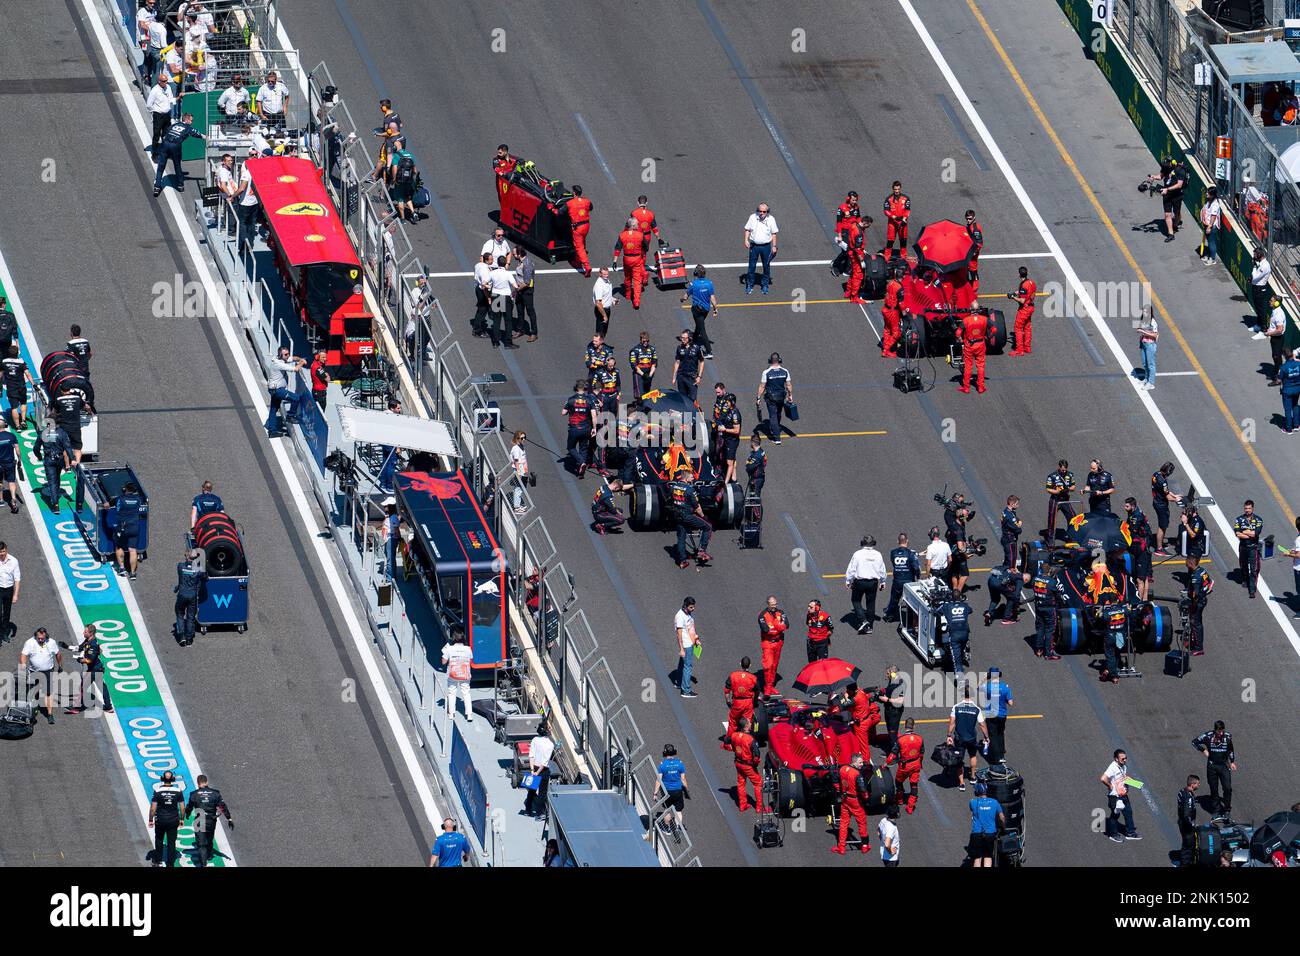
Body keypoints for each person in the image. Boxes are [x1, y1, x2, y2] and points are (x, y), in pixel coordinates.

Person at [667, 467, 713, 569]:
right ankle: (702, 551)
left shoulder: (673, 487)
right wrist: (703, 517)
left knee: (681, 538)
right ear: (687, 478)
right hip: (687, 516)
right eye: (692, 477)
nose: (693, 478)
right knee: (708, 527)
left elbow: (670, 500)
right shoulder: (690, 490)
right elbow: (697, 507)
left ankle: (682, 561)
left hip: (677, 516)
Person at [185, 774, 233, 867]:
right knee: (209, 839)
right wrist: (229, 818)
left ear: (198, 783)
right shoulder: (216, 793)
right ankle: (209, 855)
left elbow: (189, 807)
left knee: (201, 844)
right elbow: (223, 807)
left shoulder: (194, 794)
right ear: (207, 782)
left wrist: (187, 814)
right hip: (211, 820)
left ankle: (204, 864)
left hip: (199, 820)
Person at [153, 111, 205, 197]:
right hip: (175, 146)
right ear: (187, 120)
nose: (192, 122)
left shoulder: (174, 125)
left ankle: (157, 187)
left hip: (165, 144)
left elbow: (165, 133)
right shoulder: (188, 128)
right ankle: (180, 185)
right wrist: (207, 137)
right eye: (191, 120)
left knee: (161, 166)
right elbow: (197, 134)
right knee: (177, 165)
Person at [1193, 721, 1236, 819]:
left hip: (1224, 766)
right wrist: (1203, 750)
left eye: (1222, 731)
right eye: (1219, 731)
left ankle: (1227, 809)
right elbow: (1194, 742)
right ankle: (1216, 810)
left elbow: (1231, 750)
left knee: (1227, 788)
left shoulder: (1227, 737)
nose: (1221, 733)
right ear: (1215, 730)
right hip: (1212, 766)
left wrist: (1232, 762)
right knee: (1214, 789)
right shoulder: (1208, 736)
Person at [947, 685, 986, 791]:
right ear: (972, 695)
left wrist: (949, 735)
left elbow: (952, 723)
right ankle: (973, 777)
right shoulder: (976, 709)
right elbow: (982, 725)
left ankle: (961, 783)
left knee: (959, 759)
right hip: (971, 738)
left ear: (963, 695)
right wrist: (986, 737)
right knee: (973, 756)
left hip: (959, 738)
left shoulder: (956, 707)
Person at [845, 535, 887, 634]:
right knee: (871, 604)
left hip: (859, 582)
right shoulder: (878, 554)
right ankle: (870, 626)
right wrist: (883, 581)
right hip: (873, 583)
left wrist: (848, 580)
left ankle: (863, 621)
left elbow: (852, 569)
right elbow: (882, 570)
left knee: (855, 600)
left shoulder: (857, 554)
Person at [831, 752, 872, 855]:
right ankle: (865, 845)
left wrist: (839, 790)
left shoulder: (842, 769)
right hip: (855, 801)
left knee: (844, 823)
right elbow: (863, 789)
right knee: (861, 823)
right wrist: (866, 797)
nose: (862, 764)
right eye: (860, 762)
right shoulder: (857, 774)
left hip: (845, 799)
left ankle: (841, 847)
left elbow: (835, 779)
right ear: (854, 762)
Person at [724, 716, 766, 813]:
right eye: (749, 723)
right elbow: (757, 754)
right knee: (758, 783)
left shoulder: (734, 735)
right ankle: (759, 806)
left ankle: (742, 805)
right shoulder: (750, 739)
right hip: (748, 765)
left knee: (741, 783)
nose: (751, 724)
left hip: (738, 763)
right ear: (746, 726)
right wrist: (755, 764)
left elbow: (726, 740)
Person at [20, 627, 61, 725]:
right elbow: (23, 655)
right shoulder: (30, 642)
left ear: (46, 636)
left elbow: (58, 653)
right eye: (39, 638)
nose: (41, 640)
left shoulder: (51, 642)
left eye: (43, 638)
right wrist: (23, 666)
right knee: (32, 692)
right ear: (36, 636)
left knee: (48, 693)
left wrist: (60, 665)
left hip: (48, 671)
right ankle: (32, 711)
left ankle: (50, 714)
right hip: (33, 671)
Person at [264, 346, 307, 436]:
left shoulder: (281, 358)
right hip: (277, 390)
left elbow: (293, 358)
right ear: (280, 355)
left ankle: (272, 431)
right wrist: (302, 362)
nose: (288, 356)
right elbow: (295, 369)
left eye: (288, 354)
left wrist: (300, 359)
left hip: (274, 389)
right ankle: (290, 416)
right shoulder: (278, 364)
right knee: (296, 398)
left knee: (273, 409)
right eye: (286, 354)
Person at [1101, 748, 1142, 842]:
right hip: (1115, 797)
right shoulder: (1112, 767)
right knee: (1115, 815)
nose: (1125, 760)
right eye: (1122, 759)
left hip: (1123, 794)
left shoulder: (1123, 766)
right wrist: (1110, 786)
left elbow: (1122, 777)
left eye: (1125, 758)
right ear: (1116, 759)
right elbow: (1103, 778)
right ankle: (1113, 834)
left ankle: (1130, 833)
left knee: (1128, 812)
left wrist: (1130, 781)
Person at [887, 717, 924, 815]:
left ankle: (899, 799)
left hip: (904, 766)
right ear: (914, 726)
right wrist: (920, 763)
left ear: (904, 726)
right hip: (916, 764)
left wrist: (887, 762)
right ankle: (910, 806)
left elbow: (893, 754)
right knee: (914, 784)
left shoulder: (901, 740)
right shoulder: (919, 738)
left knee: (898, 782)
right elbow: (922, 753)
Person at [33, 419, 71, 513]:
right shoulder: (62, 432)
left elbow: (36, 448)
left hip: (49, 460)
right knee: (56, 478)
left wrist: (39, 456)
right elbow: (67, 447)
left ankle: (55, 504)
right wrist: (72, 459)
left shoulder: (44, 433)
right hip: (59, 459)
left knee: (52, 482)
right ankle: (56, 497)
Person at [148, 770, 186, 867]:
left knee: (159, 839)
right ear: (173, 779)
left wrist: (150, 820)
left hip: (160, 820)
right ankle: (170, 864)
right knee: (171, 842)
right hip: (173, 820)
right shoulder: (178, 791)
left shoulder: (157, 791)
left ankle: (157, 861)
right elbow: (182, 807)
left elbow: (153, 808)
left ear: (162, 779)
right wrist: (182, 819)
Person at [109, 481, 144, 580]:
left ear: (125, 489)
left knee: (119, 546)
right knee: (132, 549)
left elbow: (107, 505)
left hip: (122, 527)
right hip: (134, 527)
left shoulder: (120, 499)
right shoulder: (138, 500)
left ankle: (122, 568)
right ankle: (133, 573)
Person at [682, 266, 718, 359]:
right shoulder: (709, 283)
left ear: (695, 274)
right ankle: (694, 339)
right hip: (706, 309)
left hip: (697, 310)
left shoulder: (693, 284)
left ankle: (709, 351)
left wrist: (682, 299)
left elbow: (686, 297)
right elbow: (712, 298)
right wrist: (715, 309)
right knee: (699, 324)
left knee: (702, 330)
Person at [562, 380, 596, 478]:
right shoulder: (590, 400)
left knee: (571, 447)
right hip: (586, 428)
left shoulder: (571, 399)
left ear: (576, 388)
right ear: (585, 389)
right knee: (583, 448)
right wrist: (594, 428)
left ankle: (581, 462)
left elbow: (563, 412)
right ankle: (581, 472)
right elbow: (594, 416)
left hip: (574, 428)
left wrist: (570, 409)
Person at [1123, 497, 1154, 602]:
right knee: (1144, 577)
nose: (1124, 508)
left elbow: (1131, 530)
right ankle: (1144, 600)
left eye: (1127, 506)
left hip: (1142, 549)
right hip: (1142, 547)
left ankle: (1139, 602)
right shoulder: (1133, 513)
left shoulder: (1136, 516)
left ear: (1133, 506)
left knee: (1140, 579)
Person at [743, 203, 778, 294]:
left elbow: (774, 233)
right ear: (757, 211)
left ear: (767, 212)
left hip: (766, 246)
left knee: (766, 266)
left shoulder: (771, 219)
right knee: (751, 266)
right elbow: (747, 229)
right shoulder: (752, 217)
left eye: (764, 211)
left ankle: (765, 285)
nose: (761, 213)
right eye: (760, 211)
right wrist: (746, 240)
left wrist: (774, 246)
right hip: (754, 246)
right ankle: (750, 285)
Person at [613, 217, 648, 310]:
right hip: (637, 258)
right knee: (637, 280)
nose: (638, 225)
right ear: (633, 226)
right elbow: (646, 247)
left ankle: (628, 294)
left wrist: (615, 261)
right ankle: (636, 301)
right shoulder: (640, 235)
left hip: (627, 259)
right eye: (636, 224)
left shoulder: (622, 235)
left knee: (628, 277)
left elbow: (618, 248)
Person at [173, 548, 206, 646]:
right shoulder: (198, 569)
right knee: (190, 617)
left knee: (179, 613)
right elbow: (206, 577)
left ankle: (181, 636)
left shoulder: (180, 566)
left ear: (187, 556)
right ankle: (189, 639)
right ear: (195, 558)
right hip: (192, 596)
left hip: (182, 594)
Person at [967, 781, 1005, 867]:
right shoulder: (995, 802)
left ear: (977, 791)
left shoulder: (972, 802)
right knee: (988, 856)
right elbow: (1002, 817)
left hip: (977, 833)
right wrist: (1002, 827)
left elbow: (973, 811)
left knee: (977, 857)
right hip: (990, 833)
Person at [757, 353, 791, 444]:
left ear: (770, 360)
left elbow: (762, 386)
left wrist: (758, 397)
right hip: (781, 397)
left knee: (773, 417)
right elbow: (788, 385)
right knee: (778, 414)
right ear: (779, 360)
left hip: (771, 398)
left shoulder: (766, 372)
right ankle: (775, 429)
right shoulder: (785, 371)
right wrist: (790, 395)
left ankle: (777, 438)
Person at [653, 744, 688, 834]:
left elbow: (658, 780)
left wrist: (655, 793)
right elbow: (683, 779)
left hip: (667, 791)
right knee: (678, 810)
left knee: (667, 810)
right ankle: (678, 826)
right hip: (678, 790)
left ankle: (667, 828)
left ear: (665, 752)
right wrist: (686, 790)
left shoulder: (662, 765)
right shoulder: (680, 764)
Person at [441, 628, 474, 724]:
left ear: (453, 638)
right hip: (465, 674)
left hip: (453, 674)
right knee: (466, 693)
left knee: (452, 693)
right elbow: (471, 660)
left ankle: (451, 714)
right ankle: (469, 714)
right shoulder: (468, 649)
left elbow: (443, 662)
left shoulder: (449, 648)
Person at [884, 534, 919, 622]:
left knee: (894, 598)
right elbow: (916, 567)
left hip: (897, 580)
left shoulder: (893, 552)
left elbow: (893, 563)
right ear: (907, 541)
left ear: (897, 541)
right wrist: (917, 576)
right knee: (911, 601)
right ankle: (910, 619)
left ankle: (889, 615)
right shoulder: (911, 553)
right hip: (909, 580)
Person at [757, 596, 788, 696]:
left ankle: (770, 685)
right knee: (768, 665)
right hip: (767, 643)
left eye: (775, 604)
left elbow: (787, 625)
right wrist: (779, 626)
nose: (774, 606)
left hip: (778, 642)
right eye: (772, 604)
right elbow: (765, 629)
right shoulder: (762, 615)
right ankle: (767, 687)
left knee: (774, 665)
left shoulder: (781, 613)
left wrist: (776, 627)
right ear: (768, 604)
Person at [981, 667, 1013, 764]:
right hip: (1002, 715)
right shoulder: (1005, 687)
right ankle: (1002, 753)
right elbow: (1011, 703)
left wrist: (985, 678)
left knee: (993, 735)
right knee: (1000, 733)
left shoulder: (988, 687)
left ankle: (997, 757)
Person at [1233, 500, 1263, 599]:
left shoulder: (1258, 520)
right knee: (1243, 566)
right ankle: (1245, 579)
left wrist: (1244, 532)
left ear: (1253, 508)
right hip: (1243, 547)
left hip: (1253, 548)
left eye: (1249, 508)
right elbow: (1237, 533)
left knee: (1254, 570)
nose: (1247, 510)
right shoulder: (1239, 519)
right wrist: (1249, 534)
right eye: (1246, 508)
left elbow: (1256, 534)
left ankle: (1252, 590)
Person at [486, 254, 517, 349]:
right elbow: (515, 286)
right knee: (508, 320)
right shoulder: (508, 274)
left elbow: (485, 283)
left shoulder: (492, 273)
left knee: (496, 320)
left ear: (498, 263)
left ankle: (495, 342)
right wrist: (514, 293)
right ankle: (508, 342)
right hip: (506, 297)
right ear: (505, 264)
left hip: (496, 296)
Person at [523, 723, 554, 817]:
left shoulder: (535, 740)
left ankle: (527, 810)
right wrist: (538, 772)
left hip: (534, 767)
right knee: (542, 793)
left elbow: (531, 756)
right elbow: (544, 762)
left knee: (531, 791)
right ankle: (540, 813)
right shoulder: (550, 744)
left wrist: (533, 770)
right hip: (543, 771)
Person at [1185, 553, 1213, 656]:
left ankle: (1198, 647)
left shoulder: (1195, 577)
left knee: (1195, 624)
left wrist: (1192, 603)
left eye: (1187, 561)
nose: (1185, 563)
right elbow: (1210, 582)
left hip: (1198, 603)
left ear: (1191, 563)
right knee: (1197, 623)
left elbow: (1195, 594)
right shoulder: (1202, 571)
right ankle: (1194, 642)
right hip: (1203, 599)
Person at [2, 344, 33, 431]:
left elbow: (0, 374)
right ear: (17, 354)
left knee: (14, 408)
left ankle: (17, 427)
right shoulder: (21, 362)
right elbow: (28, 374)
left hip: (11, 388)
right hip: (21, 387)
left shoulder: (4, 362)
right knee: (23, 403)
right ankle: (23, 420)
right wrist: (33, 384)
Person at [1151, 462, 1180, 554]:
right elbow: (1167, 496)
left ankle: (1161, 543)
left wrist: (1175, 495)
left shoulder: (1156, 474)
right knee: (1162, 526)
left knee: (1163, 525)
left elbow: (1165, 492)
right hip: (1161, 505)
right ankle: (1159, 548)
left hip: (1157, 501)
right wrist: (1176, 499)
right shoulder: (1162, 481)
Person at [1007, 266, 1037, 355]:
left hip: (1025, 309)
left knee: (1018, 328)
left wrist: (1013, 297)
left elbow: (1022, 300)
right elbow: (1027, 292)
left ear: (1019, 274)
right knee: (1027, 327)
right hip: (1031, 307)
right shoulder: (1031, 283)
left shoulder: (1024, 285)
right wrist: (1017, 292)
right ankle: (1027, 347)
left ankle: (1019, 350)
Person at [957, 307, 988, 394]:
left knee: (968, 366)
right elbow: (994, 329)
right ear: (979, 310)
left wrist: (961, 340)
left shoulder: (966, 320)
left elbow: (958, 333)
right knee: (981, 366)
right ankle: (981, 387)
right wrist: (988, 337)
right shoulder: (985, 319)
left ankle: (966, 388)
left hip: (969, 346)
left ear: (971, 310)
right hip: (980, 345)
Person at [1045, 459, 1076, 542]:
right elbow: (1048, 489)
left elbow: (1073, 487)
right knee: (1052, 519)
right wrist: (1056, 491)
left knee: (1073, 517)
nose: (1064, 471)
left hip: (1065, 500)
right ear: (1059, 467)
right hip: (1055, 500)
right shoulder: (1052, 476)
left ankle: (1071, 536)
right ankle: (1050, 538)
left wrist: (1068, 489)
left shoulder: (1070, 475)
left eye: (1065, 469)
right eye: (1062, 469)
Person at [876, 664, 907, 749]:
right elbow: (890, 690)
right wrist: (883, 691)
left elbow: (901, 700)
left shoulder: (900, 684)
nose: (886, 675)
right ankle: (891, 748)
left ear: (892, 673)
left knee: (893, 732)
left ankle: (895, 755)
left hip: (895, 712)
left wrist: (887, 700)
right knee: (890, 730)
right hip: (889, 709)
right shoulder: (892, 680)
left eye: (887, 673)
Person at [674, 597, 700, 698]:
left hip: (689, 642)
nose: (693, 609)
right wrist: (681, 649)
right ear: (685, 606)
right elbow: (679, 634)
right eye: (691, 607)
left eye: (693, 607)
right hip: (686, 645)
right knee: (688, 667)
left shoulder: (687, 613)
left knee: (682, 664)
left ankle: (679, 683)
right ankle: (685, 690)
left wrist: (696, 639)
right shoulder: (680, 616)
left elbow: (690, 629)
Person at [566, 184, 593, 276]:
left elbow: (560, 212)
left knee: (579, 247)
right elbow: (591, 208)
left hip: (577, 228)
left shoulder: (570, 203)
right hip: (586, 226)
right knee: (583, 241)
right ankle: (579, 258)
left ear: (574, 192)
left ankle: (587, 266)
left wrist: (553, 209)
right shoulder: (587, 201)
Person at [512, 247, 538, 342]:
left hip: (526, 291)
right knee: (519, 310)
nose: (513, 255)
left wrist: (517, 289)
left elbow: (527, 282)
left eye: (514, 254)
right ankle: (520, 329)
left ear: (520, 254)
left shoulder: (527, 265)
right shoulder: (521, 262)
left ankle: (534, 333)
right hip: (520, 290)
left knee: (530, 312)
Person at [672, 330, 704, 402]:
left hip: (692, 377)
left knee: (692, 399)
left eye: (684, 338)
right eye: (681, 338)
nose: (682, 340)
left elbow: (702, 361)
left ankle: (692, 412)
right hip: (681, 376)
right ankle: (685, 413)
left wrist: (699, 377)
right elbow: (677, 362)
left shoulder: (697, 348)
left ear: (689, 338)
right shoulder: (679, 348)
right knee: (683, 399)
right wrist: (674, 377)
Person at [882, 181, 911, 260]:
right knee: (890, 240)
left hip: (902, 222)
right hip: (892, 222)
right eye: (895, 189)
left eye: (898, 189)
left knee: (903, 240)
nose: (897, 191)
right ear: (893, 189)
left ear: (900, 188)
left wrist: (904, 219)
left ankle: (903, 257)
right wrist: (894, 217)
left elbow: (907, 210)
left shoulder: (906, 198)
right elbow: (886, 211)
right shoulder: (889, 199)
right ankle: (886, 258)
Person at [1158, 159, 1185, 240]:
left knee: (1177, 213)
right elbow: (1160, 176)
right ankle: (1171, 234)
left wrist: (1167, 189)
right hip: (1167, 195)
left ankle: (1177, 222)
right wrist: (1152, 177)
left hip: (1177, 195)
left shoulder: (1180, 170)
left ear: (1171, 164)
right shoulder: (1165, 168)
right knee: (1167, 214)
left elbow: (1179, 185)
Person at [1177, 774, 1201, 867]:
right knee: (1188, 846)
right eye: (1197, 784)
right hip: (1186, 825)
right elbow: (1187, 814)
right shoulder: (1188, 797)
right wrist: (1191, 824)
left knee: (1188, 844)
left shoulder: (1182, 791)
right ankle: (1185, 864)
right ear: (1192, 784)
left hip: (1182, 822)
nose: (1198, 785)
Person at [1263, 297, 1286, 383]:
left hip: (1278, 339)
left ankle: (1278, 379)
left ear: (1276, 303)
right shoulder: (1275, 311)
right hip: (1275, 338)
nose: (1269, 301)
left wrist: (1269, 333)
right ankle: (1277, 373)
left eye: (1271, 300)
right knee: (1275, 357)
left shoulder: (1279, 314)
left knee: (1277, 358)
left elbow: (1279, 330)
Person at [628, 331, 657, 398]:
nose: (646, 342)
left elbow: (654, 363)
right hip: (639, 374)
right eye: (644, 341)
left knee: (647, 392)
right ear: (640, 340)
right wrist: (643, 375)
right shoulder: (635, 350)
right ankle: (638, 406)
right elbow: (634, 365)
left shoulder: (652, 349)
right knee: (639, 393)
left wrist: (650, 375)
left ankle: (644, 407)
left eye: (647, 341)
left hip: (649, 373)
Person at [1250, 247, 1272, 335]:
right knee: (1258, 308)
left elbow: (1255, 276)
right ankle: (1259, 325)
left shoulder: (1265, 265)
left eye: (1255, 254)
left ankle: (1264, 329)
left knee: (1261, 310)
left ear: (1259, 255)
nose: (1254, 256)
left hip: (1260, 289)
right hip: (1256, 287)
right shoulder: (1261, 263)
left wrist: (1254, 267)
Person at [805, 598, 833, 662]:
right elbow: (808, 624)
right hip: (811, 643)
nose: (808, 608)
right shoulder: (808, 615)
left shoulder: (826, 617)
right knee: (812, 664)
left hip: (821, 645)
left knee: (822, 664)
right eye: (808, 606)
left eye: (811, 607)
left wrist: (823, 638)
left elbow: (830, 630)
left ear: (817, 608)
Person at [880, 275, 903, 356]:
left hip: (885, 309)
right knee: (896, 333)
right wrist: (904, 313)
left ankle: (885, 347)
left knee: (887, 329)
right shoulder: (899, 287)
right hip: (892, 312)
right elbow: (901, 303)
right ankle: (886, 350)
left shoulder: (891, 282)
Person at [509, 430, 530, 516]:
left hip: (521, 469)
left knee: (519, 488)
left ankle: (518, 505)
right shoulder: (516, 448)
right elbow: (517, 461)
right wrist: (520, 473)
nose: (524, 439)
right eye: (522, 438)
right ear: (517, 438)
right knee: (518, 489)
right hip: (518, 469)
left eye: (525, 437)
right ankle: (516, 507)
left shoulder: (520, 446)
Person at [0, 421, 19, 515]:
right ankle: (13, 498)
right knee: (11, 481)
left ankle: (1, 499)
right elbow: (17, 449)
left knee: (0, 481)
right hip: (10, 462)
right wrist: (19, 459)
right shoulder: (11, 436)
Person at [1280, 349, 1300, 434]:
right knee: (1295, 405)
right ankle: (1296, 425)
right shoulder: (1298, 364)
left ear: (1284, 356)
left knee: (1288, 409)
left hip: (1287, 390)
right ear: (1292, 354)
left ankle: (1288, 429)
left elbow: (1278, 380)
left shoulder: (1283, 367)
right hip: (1297, 389)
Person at [592, 266, 616, 336]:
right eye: (604, 274)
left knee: (604, 330)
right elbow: (598, 303)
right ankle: (596, 345)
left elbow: (606, 295)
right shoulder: (599, 285)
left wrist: (612, 300)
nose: (606, 276)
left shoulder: (606, 281)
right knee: (600, 330)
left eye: (607, 274)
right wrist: (604, 315)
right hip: (601, 310)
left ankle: (601, 344)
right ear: (600, 274)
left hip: (606, 309)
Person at [1182, 504, 1207, 572]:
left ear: (1190, 512)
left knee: (1192, 565)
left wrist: (1185, 524)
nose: (1184, 514)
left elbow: (1193, 535)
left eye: (1186, 512)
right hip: (1191, 546)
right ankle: (1192, 580)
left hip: (1196, 548)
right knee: (1189, 566)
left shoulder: (1198, 522)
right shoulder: (1190, 518)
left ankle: (1204, 578)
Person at [1200, 186, 1222, 264]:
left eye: (1208, 193)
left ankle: (1212, 259)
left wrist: (1209, 226)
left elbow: (1213, 216)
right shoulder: (1209, 201)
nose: (1206, 194)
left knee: (1211, 242)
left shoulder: (1215, 204)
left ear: (1212, 195)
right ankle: (1209, 255)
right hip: (1207, 224)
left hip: (1211, 226)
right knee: (1209, 241)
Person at [999, 495, 1022, 568]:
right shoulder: (1010, 516)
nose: (1018, 505)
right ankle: (1010, 574)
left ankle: (1004, 570)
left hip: (1006, 537)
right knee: (1011, 559)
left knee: (1007, 558)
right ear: (1012, 504)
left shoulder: (1006, 511)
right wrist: (1019, 524)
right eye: (1017, 504)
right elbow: (1018, 529)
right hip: (1010, 539)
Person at [964, 209, 984, 287]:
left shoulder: (975, 229)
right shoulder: (970, 226)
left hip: (972, 254)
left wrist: (973, 253)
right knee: (967, 269)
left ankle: (974, 289)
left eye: (970, 219)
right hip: (968, 252)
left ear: (974, 218)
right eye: (967, 219)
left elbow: (979, 243)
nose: (968, 220)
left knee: (973, 270)